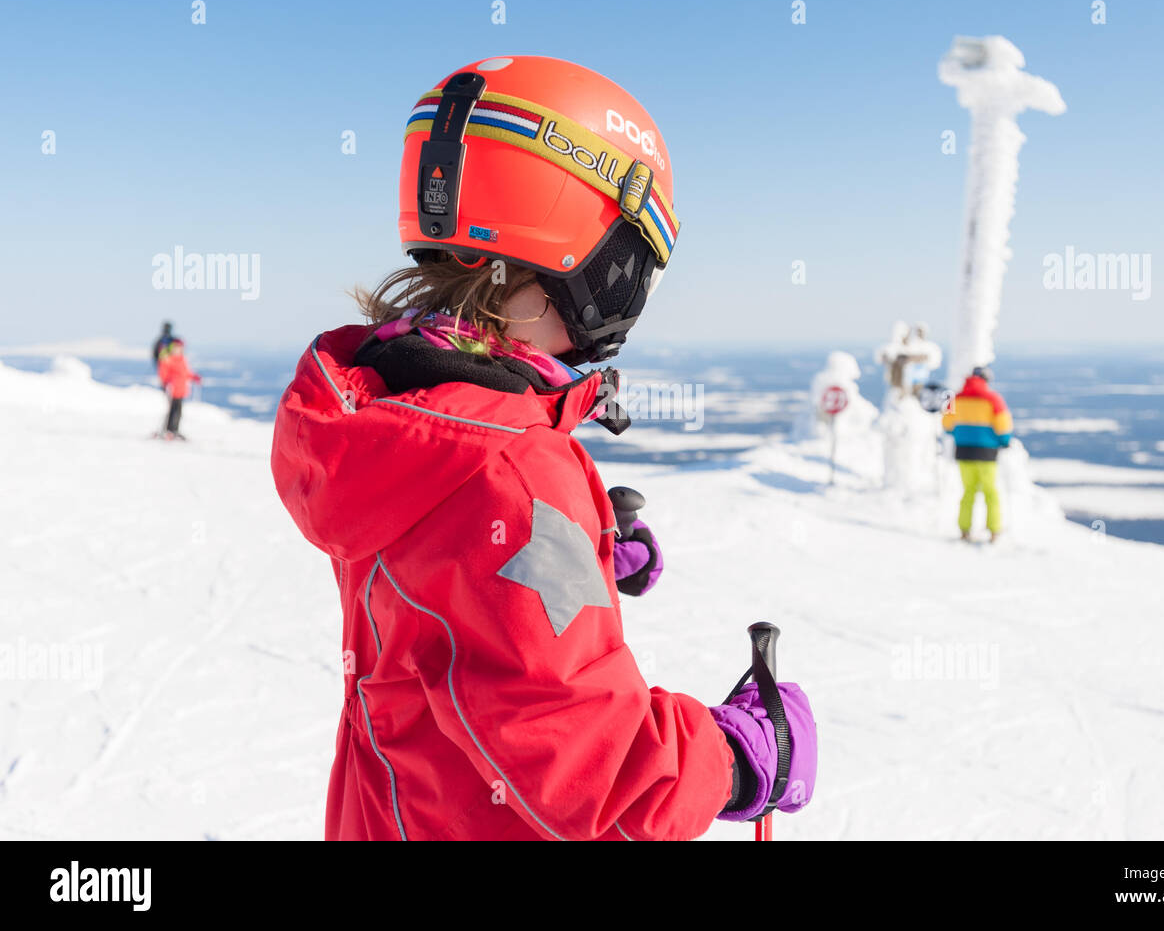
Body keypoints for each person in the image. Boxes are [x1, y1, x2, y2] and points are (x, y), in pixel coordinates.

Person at [269, 57, 817, 841]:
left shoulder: (389, 406)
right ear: (587, 242)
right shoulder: (511, 472)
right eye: (638, 252)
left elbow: (445, 580)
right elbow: (588, 773)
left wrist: (574, 549)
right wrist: (737, 757)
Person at [942, 366, 1013, 541]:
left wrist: (960, 434)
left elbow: (946, 424)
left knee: (968, 491)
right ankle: (994, 531)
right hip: (987, 453)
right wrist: (1004, 441)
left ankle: (964, 530)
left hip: (963, 451)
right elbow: (1003, 425)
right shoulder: (993, 399)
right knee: (990, 492)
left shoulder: (955, 398)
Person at [156, 339, 201, 439]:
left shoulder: (181, 359)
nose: (178, 350)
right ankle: (167, 430)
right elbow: (163, 373)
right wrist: (166, 383)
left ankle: (174, 430)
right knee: (171, 410)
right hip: (172, 389)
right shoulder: (168, 359)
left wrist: (194, 377)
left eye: (180, 348)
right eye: (176, 348)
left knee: (178, 411)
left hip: (181, 389)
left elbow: (185, 373)